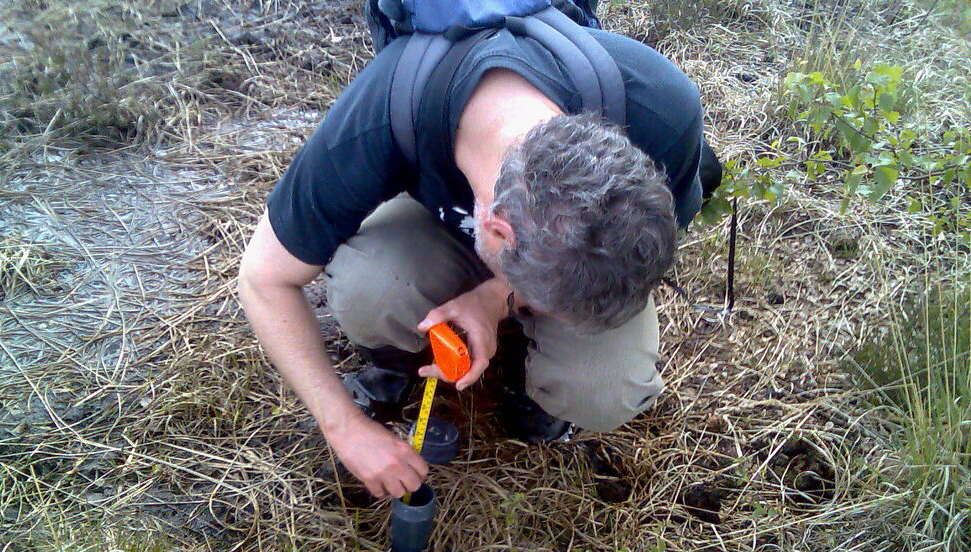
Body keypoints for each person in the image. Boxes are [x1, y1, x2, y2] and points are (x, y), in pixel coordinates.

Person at [237, 10, 715, 500]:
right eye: (539, 304)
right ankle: (394, 358)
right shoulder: (383, 111)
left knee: (607, 386)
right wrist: (343, 428)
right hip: (431, 222)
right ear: (496, 229)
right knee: (372, 287)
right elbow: (262, 279)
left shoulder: (659, 107)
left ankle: (537, 383)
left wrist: (493, 299)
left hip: (534, 248)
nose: (534, 310)